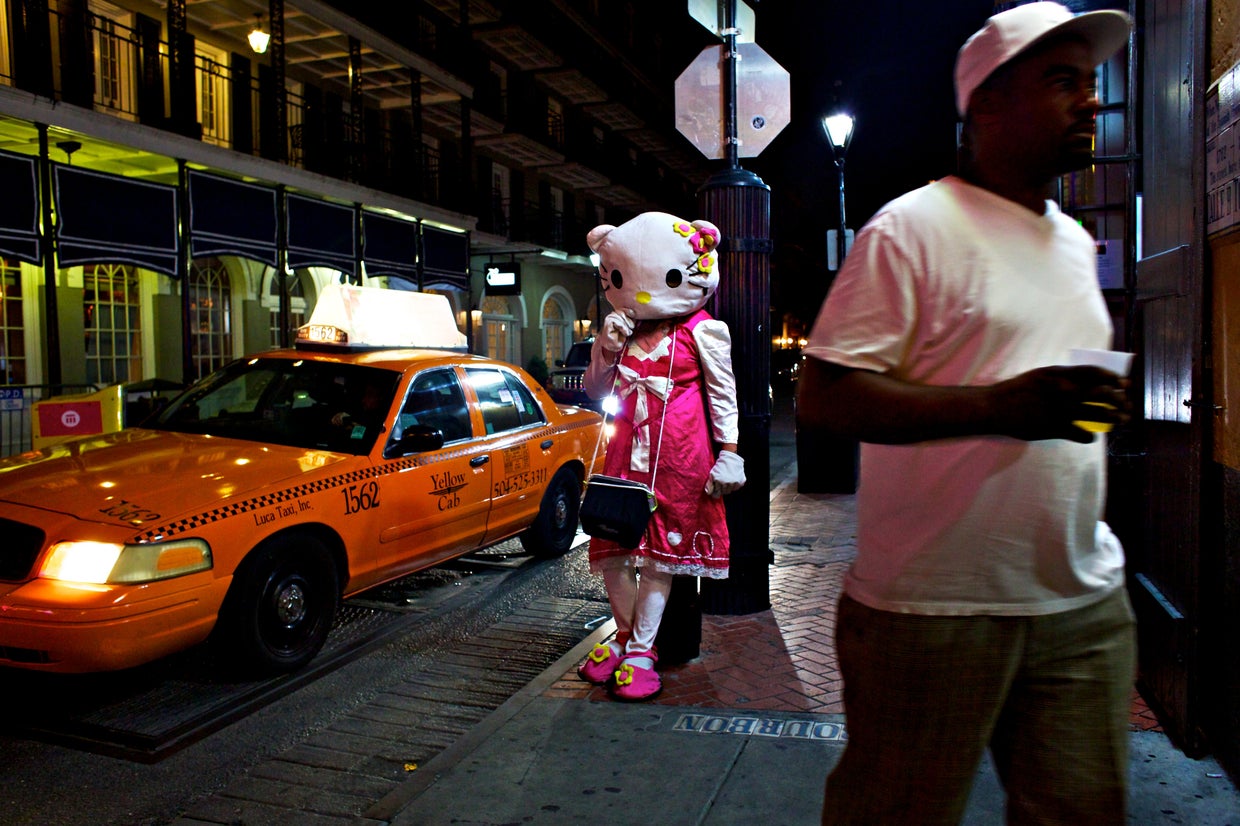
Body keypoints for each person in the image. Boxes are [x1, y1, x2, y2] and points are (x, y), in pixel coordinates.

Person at [796, 4, 1136, 824]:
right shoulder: (912, 229)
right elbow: (826, 395)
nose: (1089, 102)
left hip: (1080, 600)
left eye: (1089, 83)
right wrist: (1002, 407)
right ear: (987, 103)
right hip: (931, 609)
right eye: (1062, 82)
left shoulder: (1069, 239)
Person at [576, 211, 746, 701]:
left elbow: (723, 395)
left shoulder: (703, 331)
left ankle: (641, 651)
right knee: (613, 551)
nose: (646, 295)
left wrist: (729, 451)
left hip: (680, 458)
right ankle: (627, 639)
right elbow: (594, 389)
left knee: (660, 559)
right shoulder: (620, 330)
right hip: (624, 453)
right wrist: (604, 351)